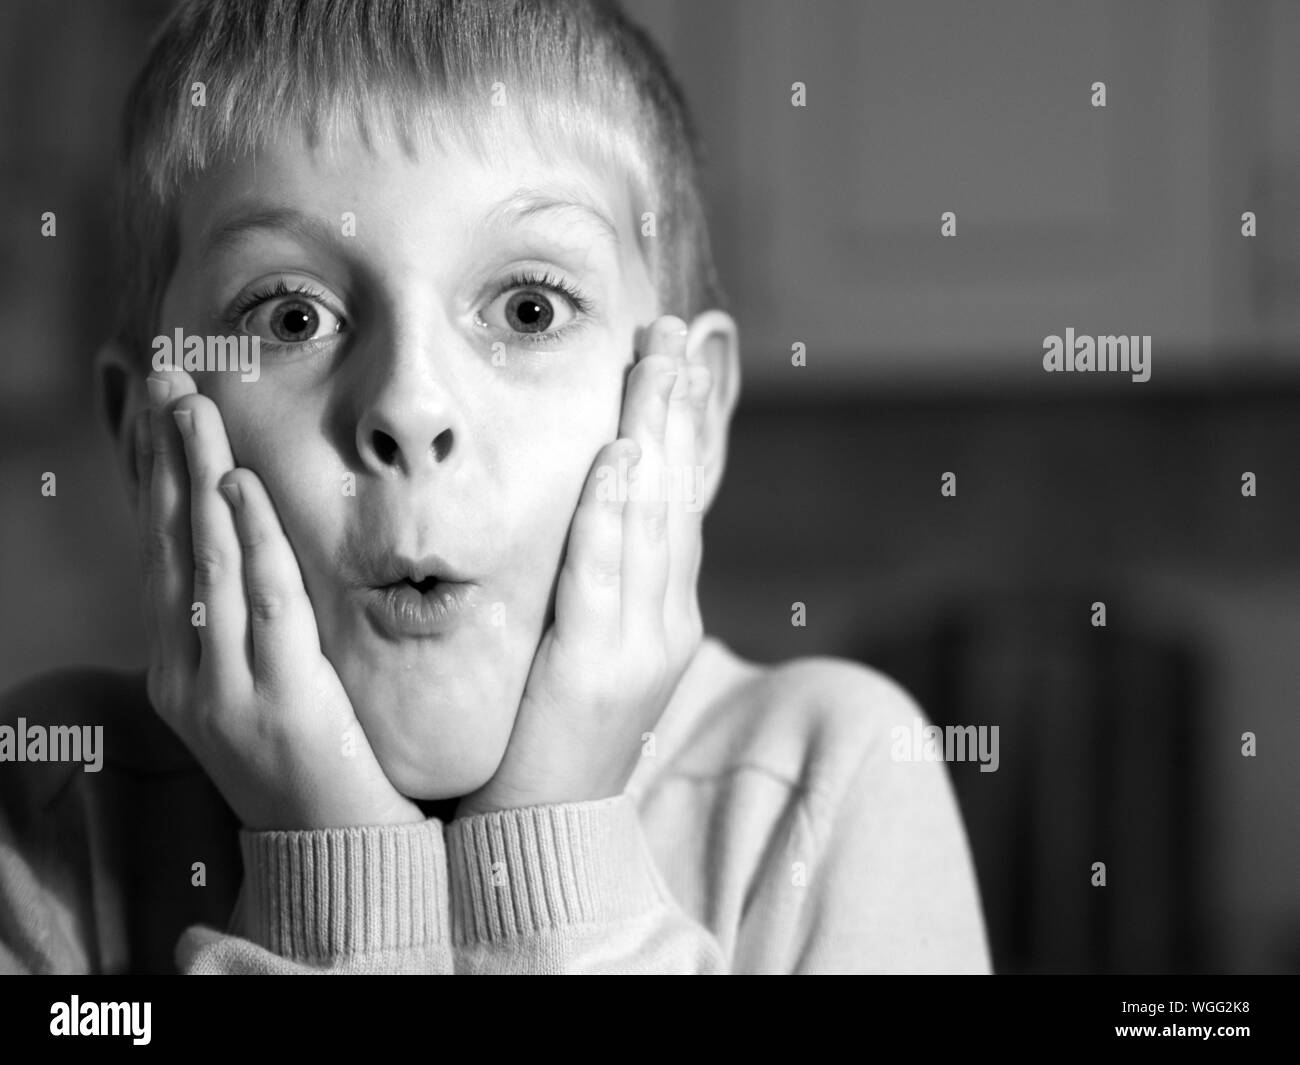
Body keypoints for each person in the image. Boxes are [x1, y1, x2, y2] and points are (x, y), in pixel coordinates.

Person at [0, 0, 991, 974]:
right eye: (293, 319)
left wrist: (547, 843)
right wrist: (333, 867)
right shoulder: (48, 801)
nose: (409, 405)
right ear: (143, 443)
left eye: (527, 308)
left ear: (683, 419)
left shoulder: (829, 781)